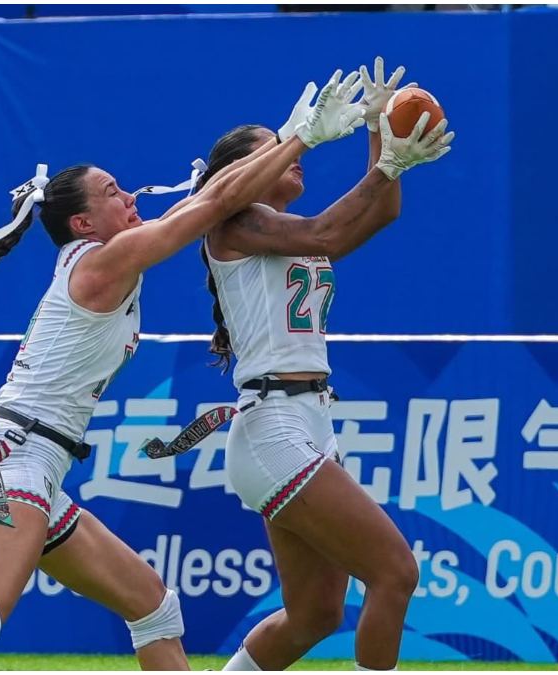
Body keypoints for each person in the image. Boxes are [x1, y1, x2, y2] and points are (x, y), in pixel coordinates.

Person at [0, 70, 368, 671]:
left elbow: (207, 202)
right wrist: (298, 138)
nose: (130, 197)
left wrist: (281, 150)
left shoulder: (105, 258)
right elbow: (214, 204)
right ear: (83, 223)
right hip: (16, 455)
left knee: (154, 608)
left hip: (35, 460)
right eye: (113, 192)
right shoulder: (104, 261)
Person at [196, 58, 453, 671]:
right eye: (278, 149)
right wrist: (386, 164)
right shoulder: (234, 221)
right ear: (243, 173)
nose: (294, 155)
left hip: (306, 421)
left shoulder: (275, 226)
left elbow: (379, 213)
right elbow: (325, 235)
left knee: (315, 615)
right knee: (395, 572)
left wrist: (379, 136)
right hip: (274, 425)